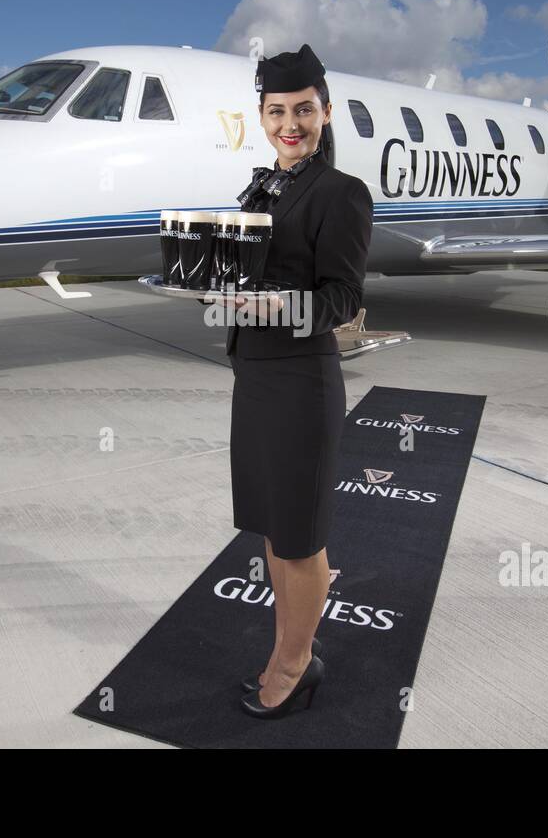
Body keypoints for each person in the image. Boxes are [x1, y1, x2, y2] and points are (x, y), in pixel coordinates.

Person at [224, 43, 374, 718]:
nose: (292, 123)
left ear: (325, 111)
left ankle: (294, 663)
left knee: (302, 537)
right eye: (278, 111)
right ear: (261, 116)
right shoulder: (259, 187)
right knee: (271, 528)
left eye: (304, 110)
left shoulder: (342, 193)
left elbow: (341, 299)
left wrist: (278, 307)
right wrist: (212, 287)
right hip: (254, 376)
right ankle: (286, 649)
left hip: (301, 382)